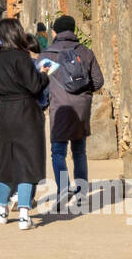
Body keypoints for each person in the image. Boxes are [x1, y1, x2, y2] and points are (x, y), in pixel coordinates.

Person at [38, 14, 105, 209]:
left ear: (55, 32)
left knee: (58, 151)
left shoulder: (48, 54)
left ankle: (64, 189)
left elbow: (39, 84)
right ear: (74, 30)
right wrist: (83, 93)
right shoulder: (85, 52)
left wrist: (44, 102)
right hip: (81, 108)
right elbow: (99, 81)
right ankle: (82, 194)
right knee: (79, 151)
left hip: (60, 108)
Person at [0, 18, 50, 229]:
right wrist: (44, 75)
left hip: (4, 112)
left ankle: (1, 209)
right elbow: (34, 86)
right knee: (28, 162)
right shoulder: (22, 57)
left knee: (7, 161)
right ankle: (24, 214)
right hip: (25, 113)